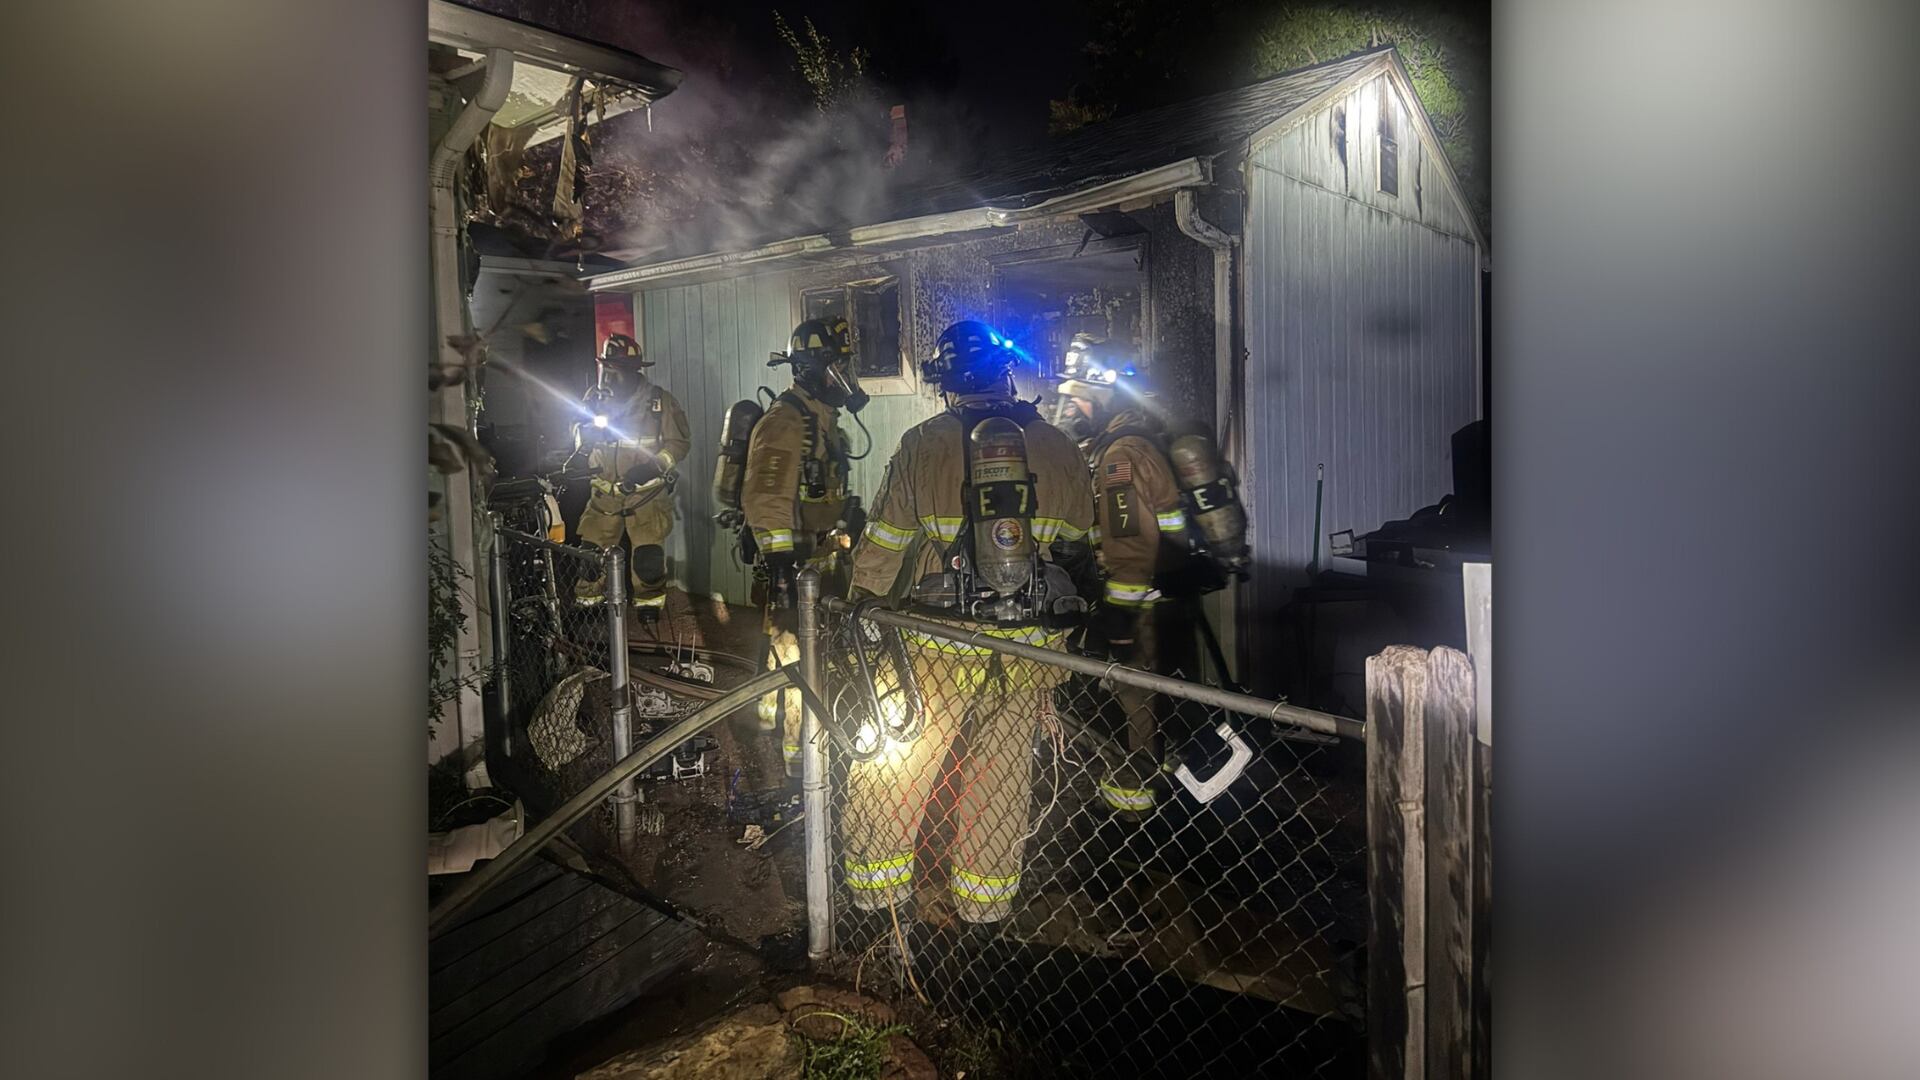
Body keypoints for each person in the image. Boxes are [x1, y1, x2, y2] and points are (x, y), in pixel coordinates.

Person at [840, 320, 1096, 926]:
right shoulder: (1060, 447)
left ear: (947, 382)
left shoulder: (922, 444)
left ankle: (876, 901)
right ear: (1007, 373)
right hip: (1030, 652)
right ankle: (984, 912)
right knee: (1002, 778)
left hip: (937, 642)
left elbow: (882, 547)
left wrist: (861, 614)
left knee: (895, 765)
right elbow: (1079, 551)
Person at [1054, 339, 1201, 816]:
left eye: (1077, 398)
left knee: (1135, 699)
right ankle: (1160, 796)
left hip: (1139, 603)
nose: (1071, 408)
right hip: (1161, 596)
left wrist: (1118, 610)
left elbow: (1131, 542)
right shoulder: (1139, 440)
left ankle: (1137, 815)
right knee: (1156, 698)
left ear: (1103, 398)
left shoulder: (1120, 456)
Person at [743, 317, 867, 776]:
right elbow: (766, 498)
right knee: (797, 657)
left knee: (801, 654)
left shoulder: (822, 419)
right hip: (795, 568)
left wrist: (844, 516)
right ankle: (799, 767)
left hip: (821, 561)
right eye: (837, 367)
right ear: (814, 369)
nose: (845, 378)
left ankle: (773, 726)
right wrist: (781, 572)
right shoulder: (786, 422)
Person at [569, 333, 691, 622]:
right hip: (603, 495)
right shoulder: (594, 399)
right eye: (605, 370)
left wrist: (653, 467)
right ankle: (588, 607)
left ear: (632, 371)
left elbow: (679, 444)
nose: (607, 379)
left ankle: (649, 606)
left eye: (615, 372)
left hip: (645, 495)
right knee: (591, 557)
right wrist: (583, 433)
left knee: (648, 558)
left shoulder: (659, 402)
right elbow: (574, 431)